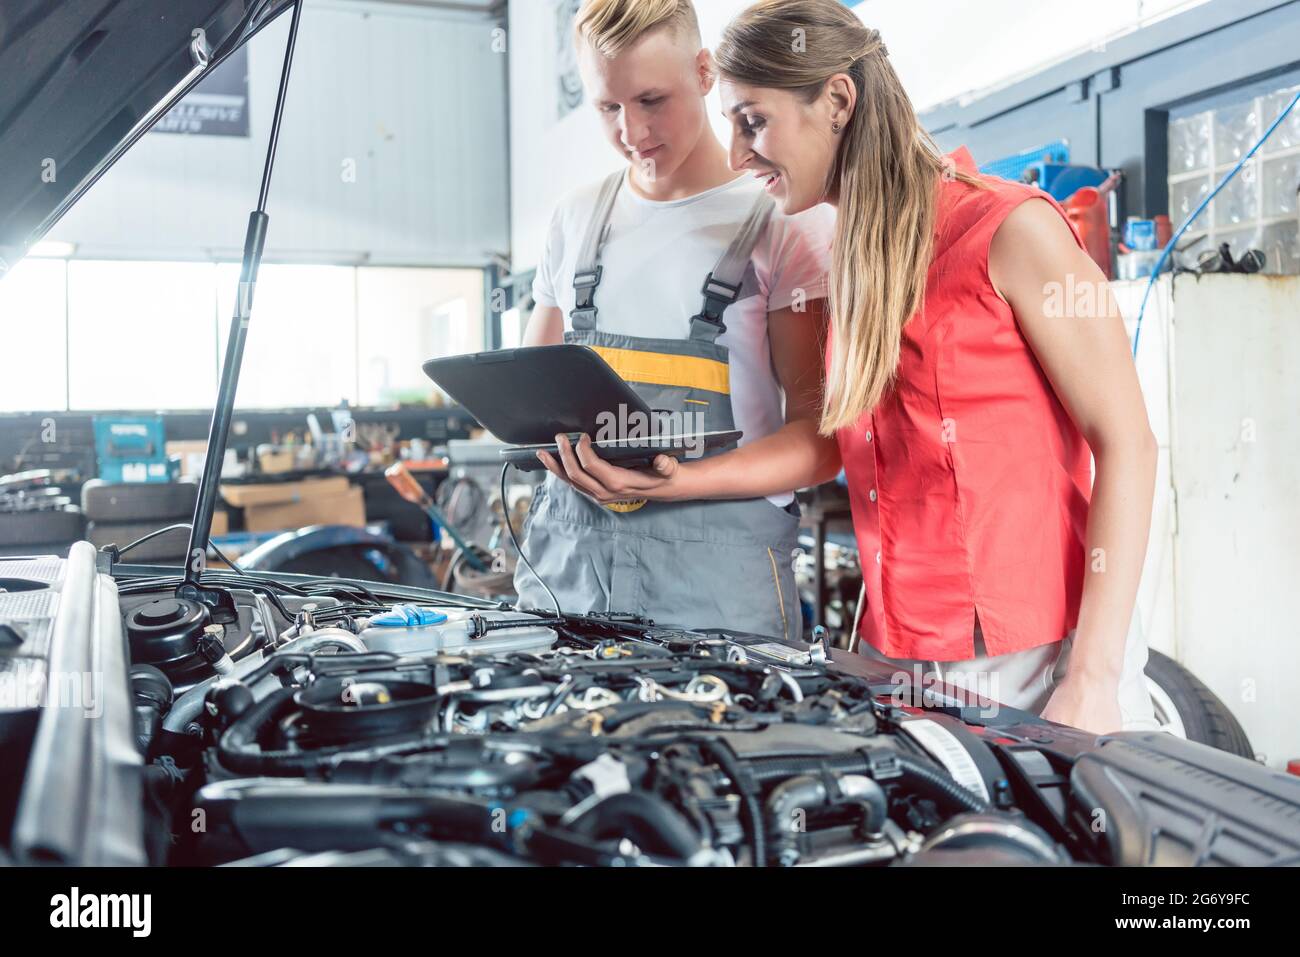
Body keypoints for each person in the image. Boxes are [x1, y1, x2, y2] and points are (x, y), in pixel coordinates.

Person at [537, 0, 1160, 735]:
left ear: (837, 100)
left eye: (753, 121)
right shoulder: (853, 254)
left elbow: (1131, 445)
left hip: (1031, 659)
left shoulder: (1014, 230)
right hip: (893, 651)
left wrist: (1091, 676)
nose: (737, 154)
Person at [515, 0, 835, 641]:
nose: (632, 132)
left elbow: (821, 441)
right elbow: (528, 401)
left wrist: (680, 482)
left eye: (652, 100)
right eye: (609, 108)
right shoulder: (574, 219)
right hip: (568, 572)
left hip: (717, 590)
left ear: (704, 71)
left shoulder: (785, 219)